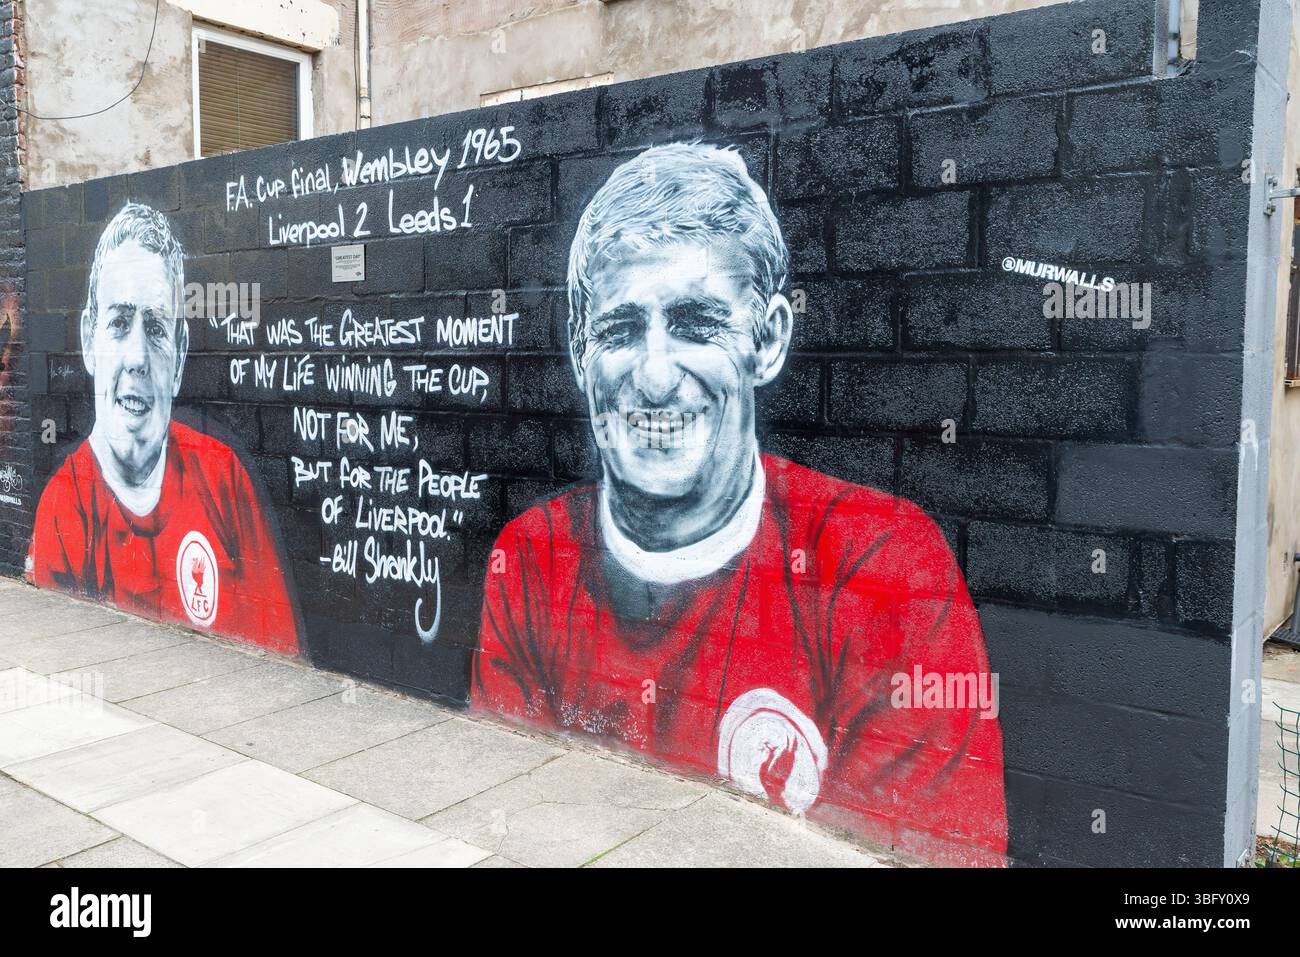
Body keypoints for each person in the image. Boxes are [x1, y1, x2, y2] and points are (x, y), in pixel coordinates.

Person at [473, 143, 1007, 863]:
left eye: (696, 325)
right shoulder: (530, 558)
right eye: (620, 329)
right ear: (578, 351)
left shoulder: (888, 570)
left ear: (769, 340)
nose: (655, 376)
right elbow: (512, 821)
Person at [27, 203, 299, 655]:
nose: (136, 357)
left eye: (155, 328)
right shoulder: (63, 509)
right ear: (89, 341)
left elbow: (281, 651)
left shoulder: (224, 479)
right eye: (118, 323)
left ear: (179, 356)